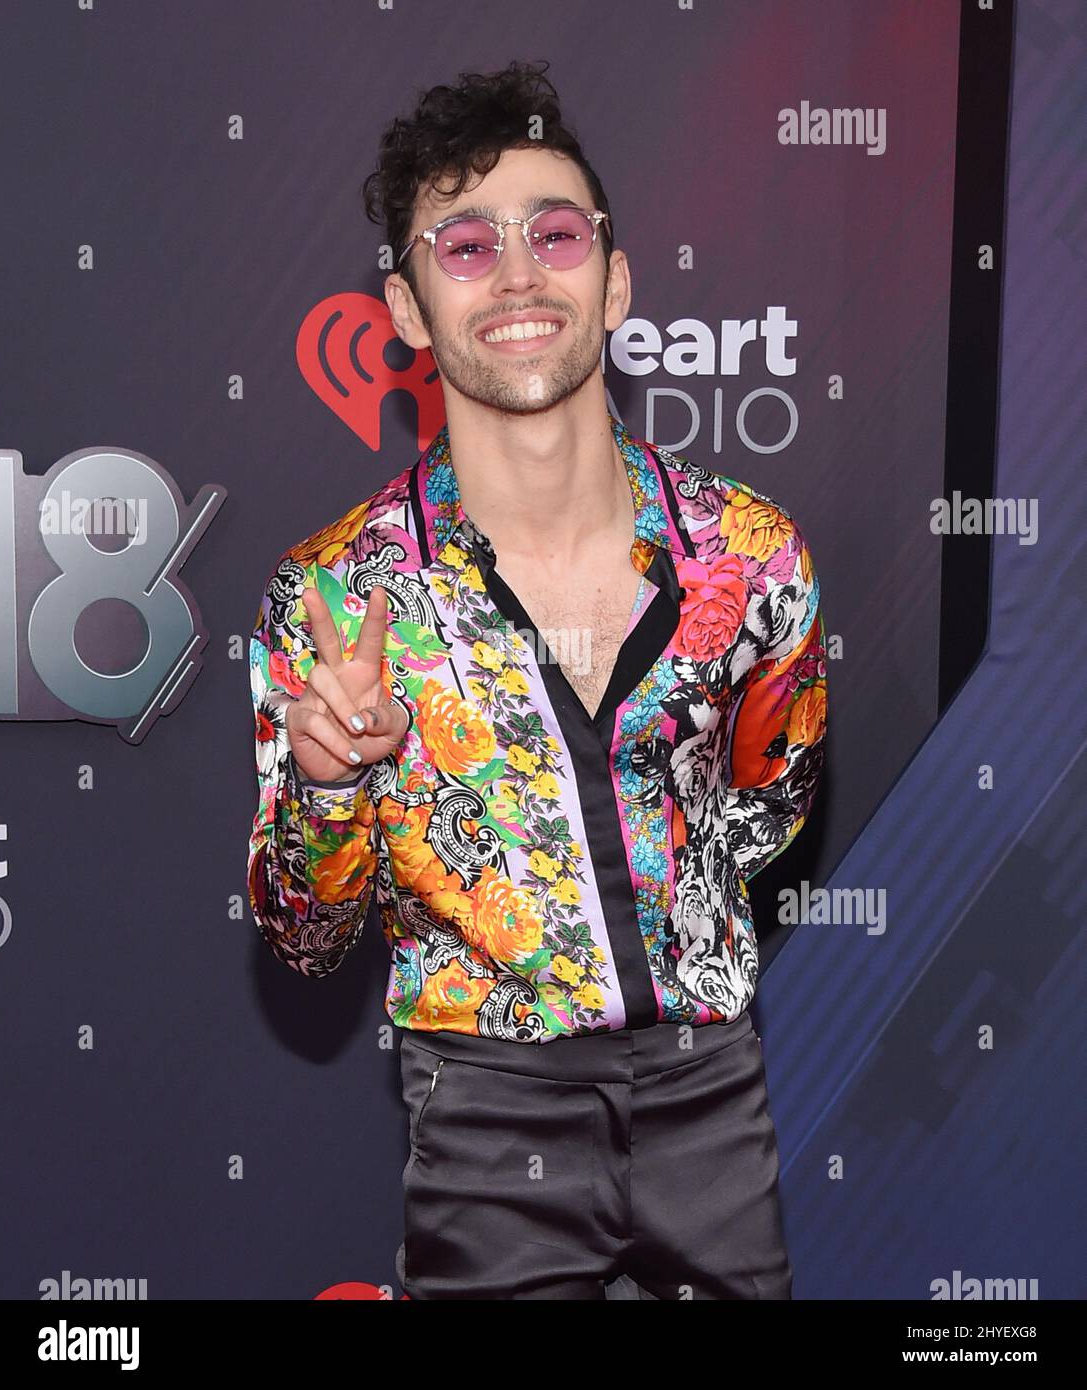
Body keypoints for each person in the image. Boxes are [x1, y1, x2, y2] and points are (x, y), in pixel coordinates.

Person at [246, 59, 828, 1300]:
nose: (517, 273)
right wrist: (328, 783)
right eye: (464, 245)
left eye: (553, 234)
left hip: (711, 1094)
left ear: (612, 279)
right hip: (481, 1117)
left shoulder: (749, 552)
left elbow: (770, 809)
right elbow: (302, 938)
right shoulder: (336, 595)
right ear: (404, 308)